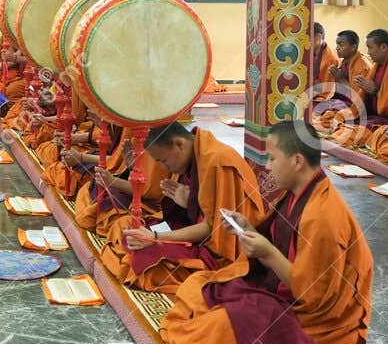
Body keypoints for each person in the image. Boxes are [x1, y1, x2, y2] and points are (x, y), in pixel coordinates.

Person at [160, 120, 374, 344]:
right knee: (199, 288)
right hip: (281, 288)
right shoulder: (299, 191)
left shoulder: (322, 215)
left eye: (272, 158)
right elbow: (282, 240)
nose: (267, 166)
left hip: (316, 316)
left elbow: (313, 295)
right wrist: (248, 229)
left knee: (215, 332)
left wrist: (267, 254)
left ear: (297, 161)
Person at [97, 120, 265, 292]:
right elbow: (202, 212)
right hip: (192, 228)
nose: (163, 167)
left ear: (179, 144)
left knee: (142, 263)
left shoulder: (218, 163)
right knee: (123, 227)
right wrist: (190, 202)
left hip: (220, 252)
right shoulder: (194, 152)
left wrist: (155, 237)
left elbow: (216, 230)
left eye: (163, 160)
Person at [358, 29, 388, 124]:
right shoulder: (377, 66)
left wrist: (374, 91)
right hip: (374, 115)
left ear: (383, 47)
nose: (368, 52)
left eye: (370, 48)